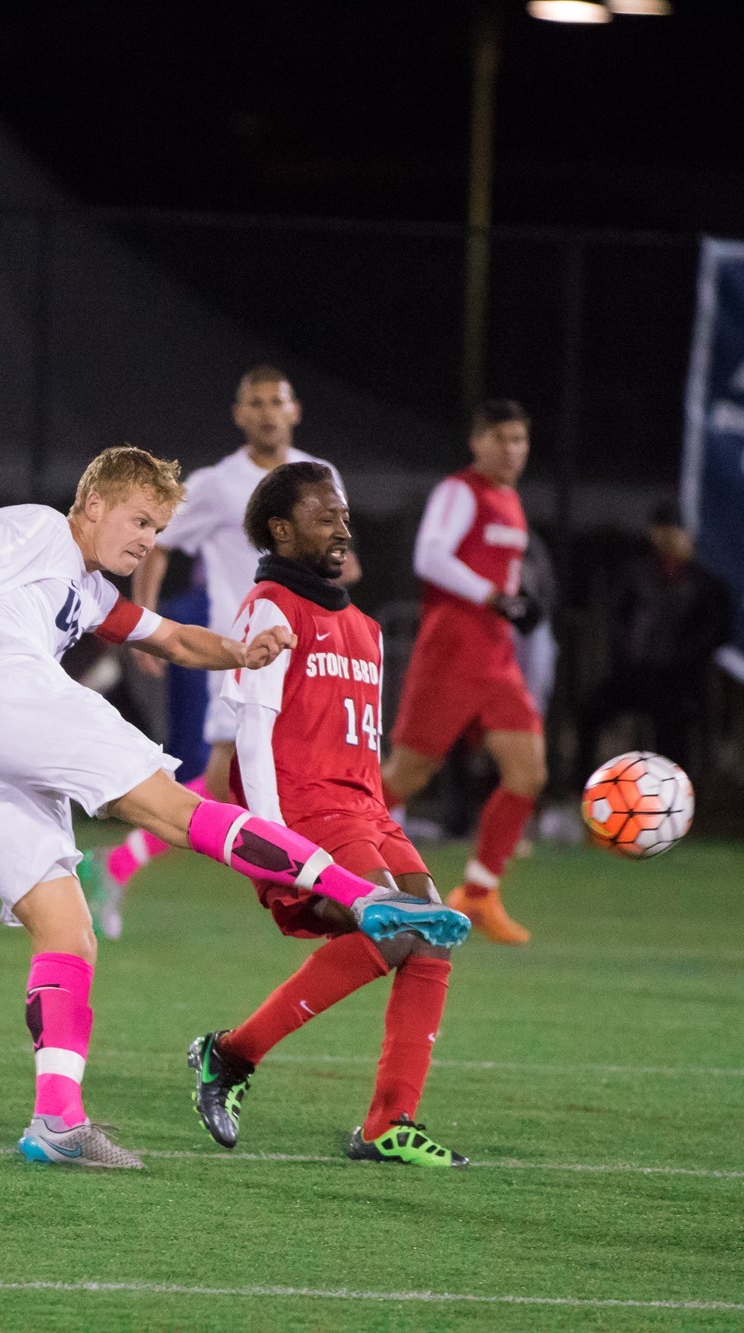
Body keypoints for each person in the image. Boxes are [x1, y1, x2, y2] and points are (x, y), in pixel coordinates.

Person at [0, 445, 467, 1170]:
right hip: (1, 687)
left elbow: (170, 637)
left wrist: (242, 653)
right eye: (139, 520)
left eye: (157, 528)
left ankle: (56, 1119)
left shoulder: (92, 592)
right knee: (172, 810)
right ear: (91, 506)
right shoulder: (37, 528)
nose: (147, 539)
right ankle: (360, 899)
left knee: (67, 929)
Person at [187, 461, 465, 1168]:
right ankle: (232, 1054)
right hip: (304, 808)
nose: (342, 526)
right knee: (399, 926)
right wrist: (274, 836)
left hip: (364, 807)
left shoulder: (366, 627)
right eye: (323, 515)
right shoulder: (270, 606)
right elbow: (253, 732)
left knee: (431, 931)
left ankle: (387, 1122)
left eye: (343, 513)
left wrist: (381, 812)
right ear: (282, 529)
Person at [81, 367, 353, 937]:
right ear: (239, 414)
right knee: (242, 778)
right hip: (245, 653)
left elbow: (338, 556)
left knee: (232, 782)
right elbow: (157, 544)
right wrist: (147, 625)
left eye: (275, 401)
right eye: (254, 403)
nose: (265, 412)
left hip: (308, 647)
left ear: (294, 410)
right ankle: (328, 885)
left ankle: (123, 862)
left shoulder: (318, 477)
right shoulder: (216, 484)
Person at [380, 400, 544, 946]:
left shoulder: (510, 499)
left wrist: (517, 601)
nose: (511, 449)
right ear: (476, 442)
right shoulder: (459, 491)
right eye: (499, 438)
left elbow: (497, 574)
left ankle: (478, 893)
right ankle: (322, 865)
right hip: (450, 653)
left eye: (519, 439)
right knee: (405, 778)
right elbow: (429, 557)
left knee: (528, 772)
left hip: (495, 659)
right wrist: (496, 596)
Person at [569, 500, 733, 790]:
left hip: (679, 677)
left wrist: (686, 655)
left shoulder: (703, 580)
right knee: (590, 710)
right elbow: (617, 615)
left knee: (673, 733)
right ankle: (579, 786)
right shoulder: (638, 572)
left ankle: (671, 797)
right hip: (637, 670)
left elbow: (717, 628)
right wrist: (629, 648)